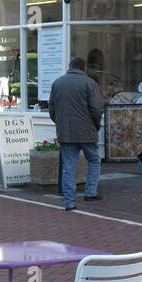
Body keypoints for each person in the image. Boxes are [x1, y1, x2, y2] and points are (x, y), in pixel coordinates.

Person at [48, 56, 104, 211]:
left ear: (70, 66)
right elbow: (96, 109)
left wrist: (60, 123)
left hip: (66, 132)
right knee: (94, 160)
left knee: (68, 167)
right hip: (87, 131)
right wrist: (96, 124)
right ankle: (90, 192)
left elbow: (51, 108)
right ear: (84, 68)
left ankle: (69, 202)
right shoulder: (90, 83)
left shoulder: (57, 83)